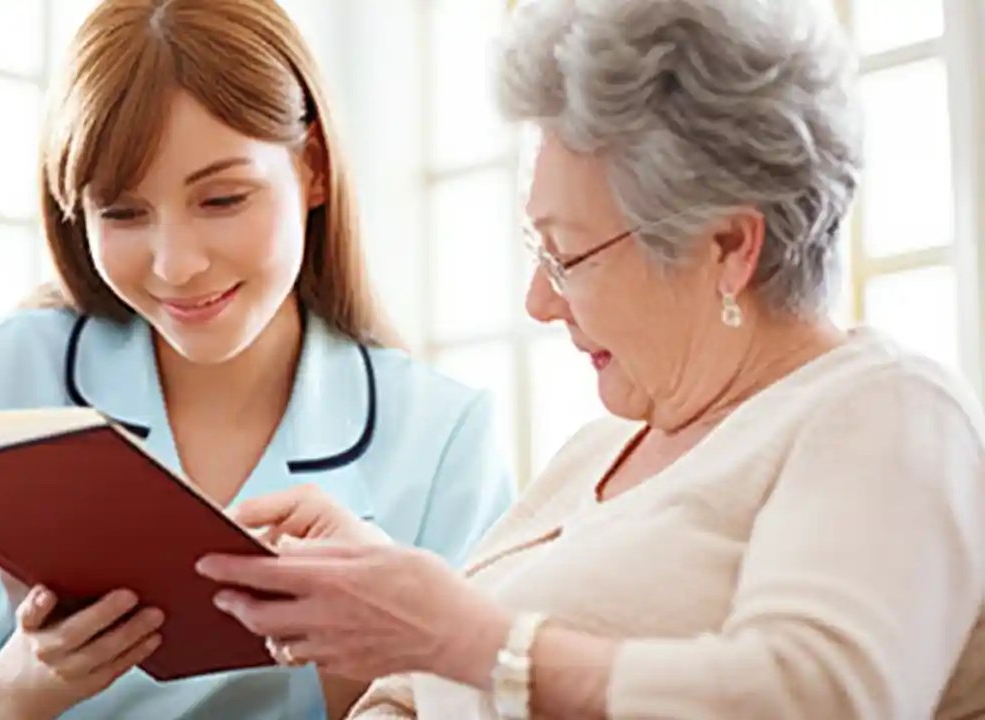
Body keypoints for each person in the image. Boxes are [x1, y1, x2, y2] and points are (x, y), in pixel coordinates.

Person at [194, 0, 985, 717]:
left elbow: (817, 698)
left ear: (728, 246)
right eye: (536, 248)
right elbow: (414, 690)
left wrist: (463, 636)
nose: (540, 301)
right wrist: (379, 594)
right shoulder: (597, 452)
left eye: (567, 256)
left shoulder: (882, 409)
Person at [0, 1, 515, 718]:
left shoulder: (445, 434)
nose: (176, 265)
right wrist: (20, 685)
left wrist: (361, 640)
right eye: (122, 212)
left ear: (314, 169)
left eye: (222, 199)